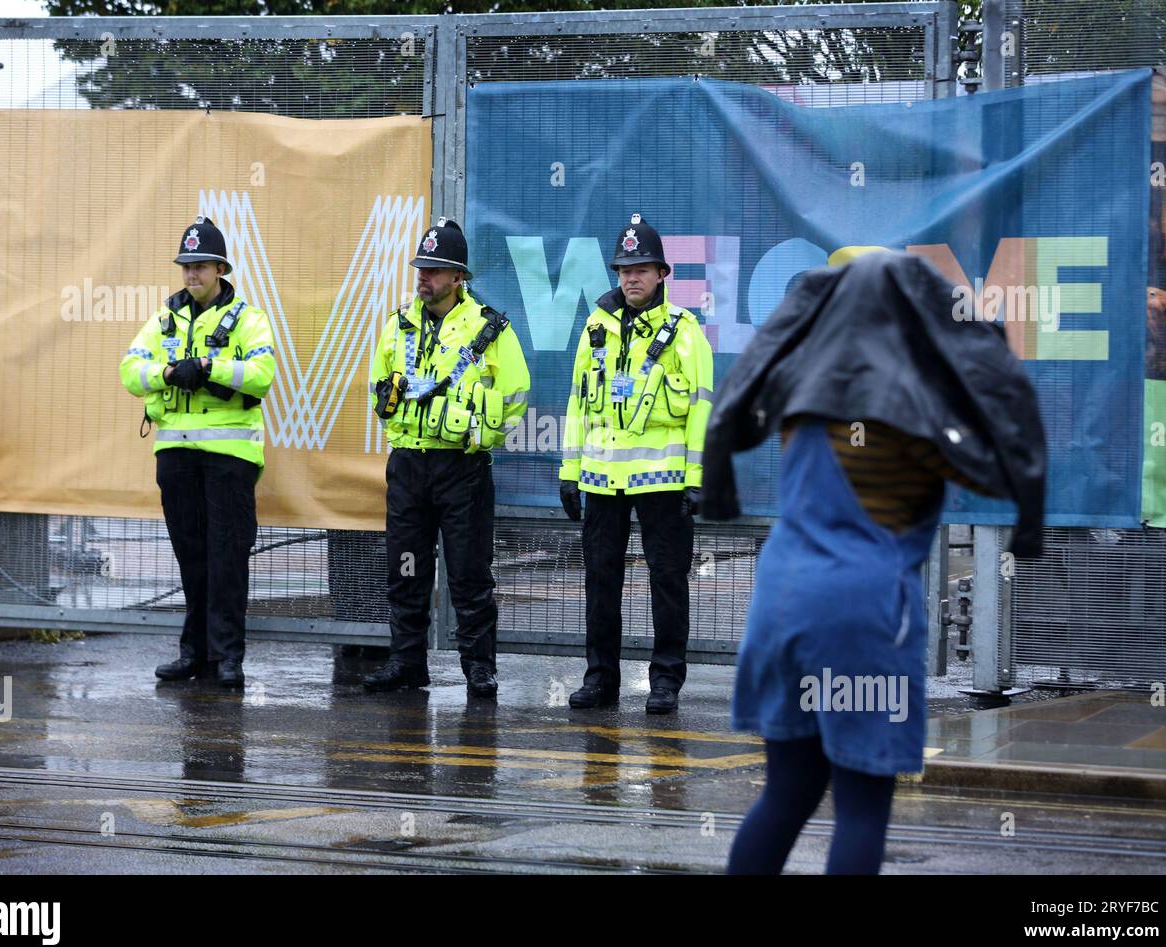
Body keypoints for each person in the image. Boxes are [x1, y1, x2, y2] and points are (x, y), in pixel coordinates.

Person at [703, 249, 1045, 874]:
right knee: (862, 808)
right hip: (861, 614)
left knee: (788, 792)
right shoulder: (914, 413)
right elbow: (996, 469)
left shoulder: (799, 390)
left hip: (780, 603)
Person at [365, 217, 530, 699]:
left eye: (435, 270)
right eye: (421, 268)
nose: (424, 277)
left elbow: (516, 394)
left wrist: (477, 434)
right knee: (407, 568)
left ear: (459, 277)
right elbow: (380, 387)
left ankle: (479, 667)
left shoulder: (489, 328)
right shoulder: (398, 325)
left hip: (462, 470)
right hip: (409, 465)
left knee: (469, 574)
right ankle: (407, 662)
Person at [558, 213, 714, 714]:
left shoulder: (685, 333)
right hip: (602, 480)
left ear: (663, 274)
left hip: (664, 482)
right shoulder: (595, 326)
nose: (632, 277)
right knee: (600, 582)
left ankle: (665, 681)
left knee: (667, 580)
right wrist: (569, 470)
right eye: (625, 268)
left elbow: (701, 408)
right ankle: (600, 679)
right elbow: (579, 402)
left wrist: (696, 479)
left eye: (642, 268)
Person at [119, 217, 277, 688]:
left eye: (201, 266)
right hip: (176, 457)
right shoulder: (165, 317)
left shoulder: (248, 318)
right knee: (191, 555)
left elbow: (262, 374)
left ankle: (228, 657)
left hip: (230, 458)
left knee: (227, 557)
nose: (191, 275)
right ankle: (195, 654)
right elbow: (130, 370)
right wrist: (168, 375)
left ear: (221, 268)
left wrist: (210, 367)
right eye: (186, 266)